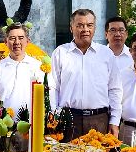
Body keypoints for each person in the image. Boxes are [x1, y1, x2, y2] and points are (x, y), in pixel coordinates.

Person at [49, 9, 122, 140]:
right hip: (68, 120)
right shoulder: (60, 53)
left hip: (99, 120)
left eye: (89, 25)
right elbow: (53, 87)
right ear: (71, 28)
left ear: (94, 27)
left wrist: (114, 121)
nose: (85, 29)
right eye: (80, 25)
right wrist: (55, 117)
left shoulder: (106, 54)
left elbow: (115, 89)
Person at [0, 23, 43, 150]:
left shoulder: (38, 67)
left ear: (28, 41)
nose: (17, 42)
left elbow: (46, 99)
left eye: (21, 38)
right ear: (5, 42)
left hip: (31, 129)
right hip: (4, 129)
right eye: (12, 38)